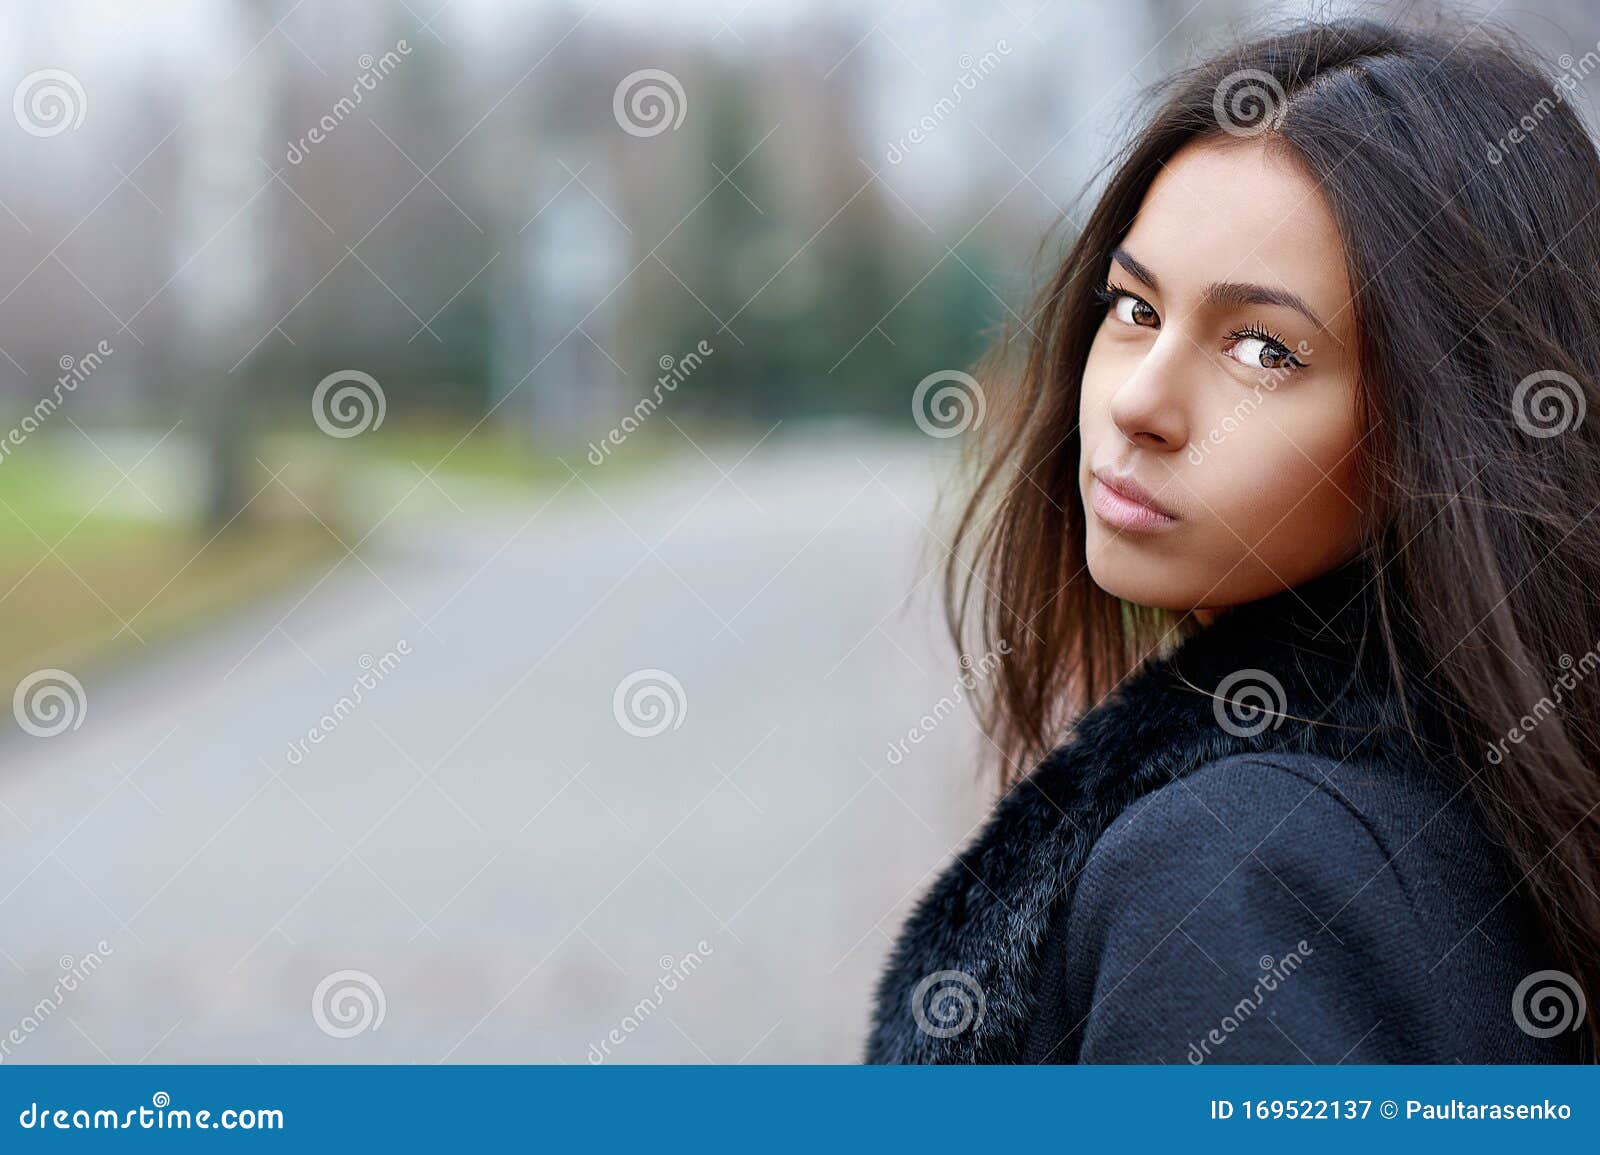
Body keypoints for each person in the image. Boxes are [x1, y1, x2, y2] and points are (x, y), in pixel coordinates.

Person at [866, 15, 1600, 1064]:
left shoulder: (1228, 875)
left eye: (1264, 349)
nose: (1139, 402)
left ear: (1452, 429)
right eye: (1132, 307)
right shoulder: (1495, 784)